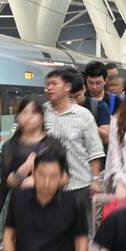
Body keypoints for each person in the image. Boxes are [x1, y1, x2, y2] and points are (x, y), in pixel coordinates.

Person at [43, 68, 105, 232]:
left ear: (67, 87)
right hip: (50, 187)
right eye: (48, 84)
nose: (49, 87)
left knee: (82, 234)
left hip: (80, 187)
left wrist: (96, 180)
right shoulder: (43, 112)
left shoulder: (83, 115)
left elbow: (95, 151)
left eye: (54, 83)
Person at [1, 96, 59, 191]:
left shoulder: (52, 144)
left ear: (42, 118)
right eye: (24, 112)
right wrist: (26, 167)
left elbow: (64, 177)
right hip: (19, 202)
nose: (28, 117)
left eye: (34, 113)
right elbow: (7, 182)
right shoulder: (9, 146)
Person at [82, 61, 114, 145]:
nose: (94, 87)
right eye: (90, 83)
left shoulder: (114, 100)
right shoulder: (81, 99)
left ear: (105, 80)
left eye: (98, 83)